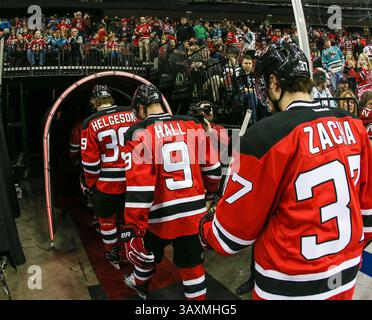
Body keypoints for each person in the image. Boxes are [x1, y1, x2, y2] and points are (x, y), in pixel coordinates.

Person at [199, 41, 372, 300]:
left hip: (287, 283)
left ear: (274, 82)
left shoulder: (265, 136)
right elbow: (367, 214)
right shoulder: (352, 124)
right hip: (345, 277)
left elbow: (230, 238)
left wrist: (204, 228)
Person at [120, 84, 222, 300]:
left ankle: (139, 284)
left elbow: (140, 187)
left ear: (140, 108)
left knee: (145, 254)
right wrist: (210, 198)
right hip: (193, 211)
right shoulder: (191, 124)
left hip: (159, 214)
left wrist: (133, 227)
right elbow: (213, 171)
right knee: (193, 267)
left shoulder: (138, 132)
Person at [80, 85, 138, 270]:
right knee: (131, 220)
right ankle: (132, 251)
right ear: (111, 98)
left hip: (107, 184)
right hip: (133, 180)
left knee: (107, 221)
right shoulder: (131, 113)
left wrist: (91, 184)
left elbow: (90, 162)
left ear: (93, 101)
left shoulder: (89, 123)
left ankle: (112, 252)